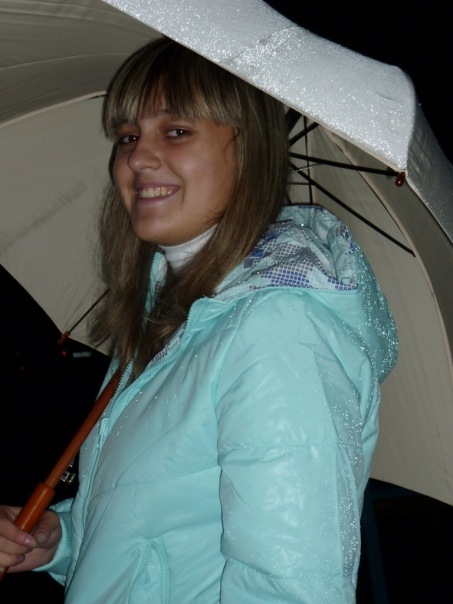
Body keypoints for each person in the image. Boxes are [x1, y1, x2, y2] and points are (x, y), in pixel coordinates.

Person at [0, 37, 398, 602]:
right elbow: (159, 537)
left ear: (249, 152)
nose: (136, 157)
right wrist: (60, 539)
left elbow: (288, 590)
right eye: (129, 136)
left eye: (177, 131)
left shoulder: (277, 330)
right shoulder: (173, 321)